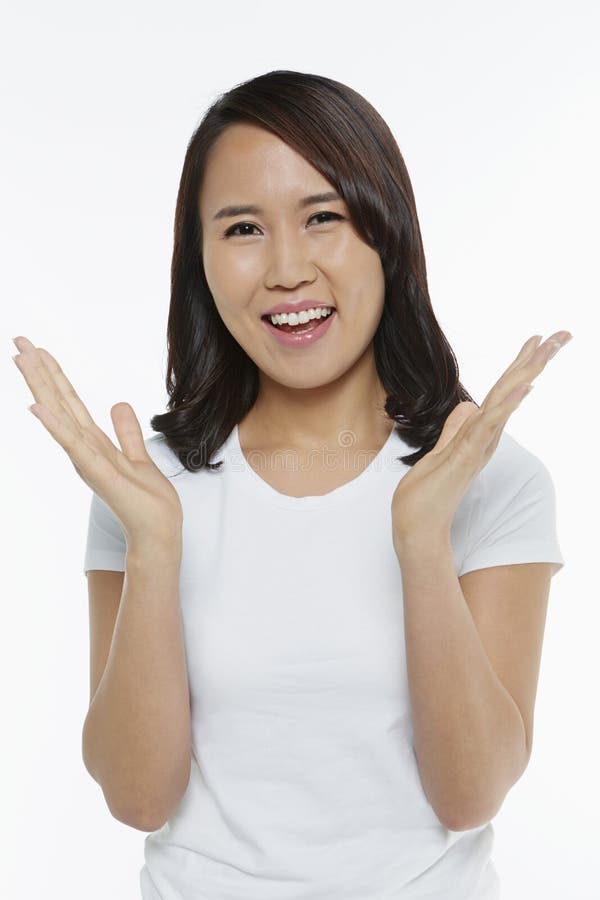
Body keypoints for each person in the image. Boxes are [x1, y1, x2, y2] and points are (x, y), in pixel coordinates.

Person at [12, 70, 571, 900]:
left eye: (324, 219)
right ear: (199, 259)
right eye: (242, 227)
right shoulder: (145, 486)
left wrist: (420, 542)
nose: (286, 269)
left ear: (388, 233)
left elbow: (470, 794)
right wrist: (153, 545)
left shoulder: (493, 480)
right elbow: (137, 798)